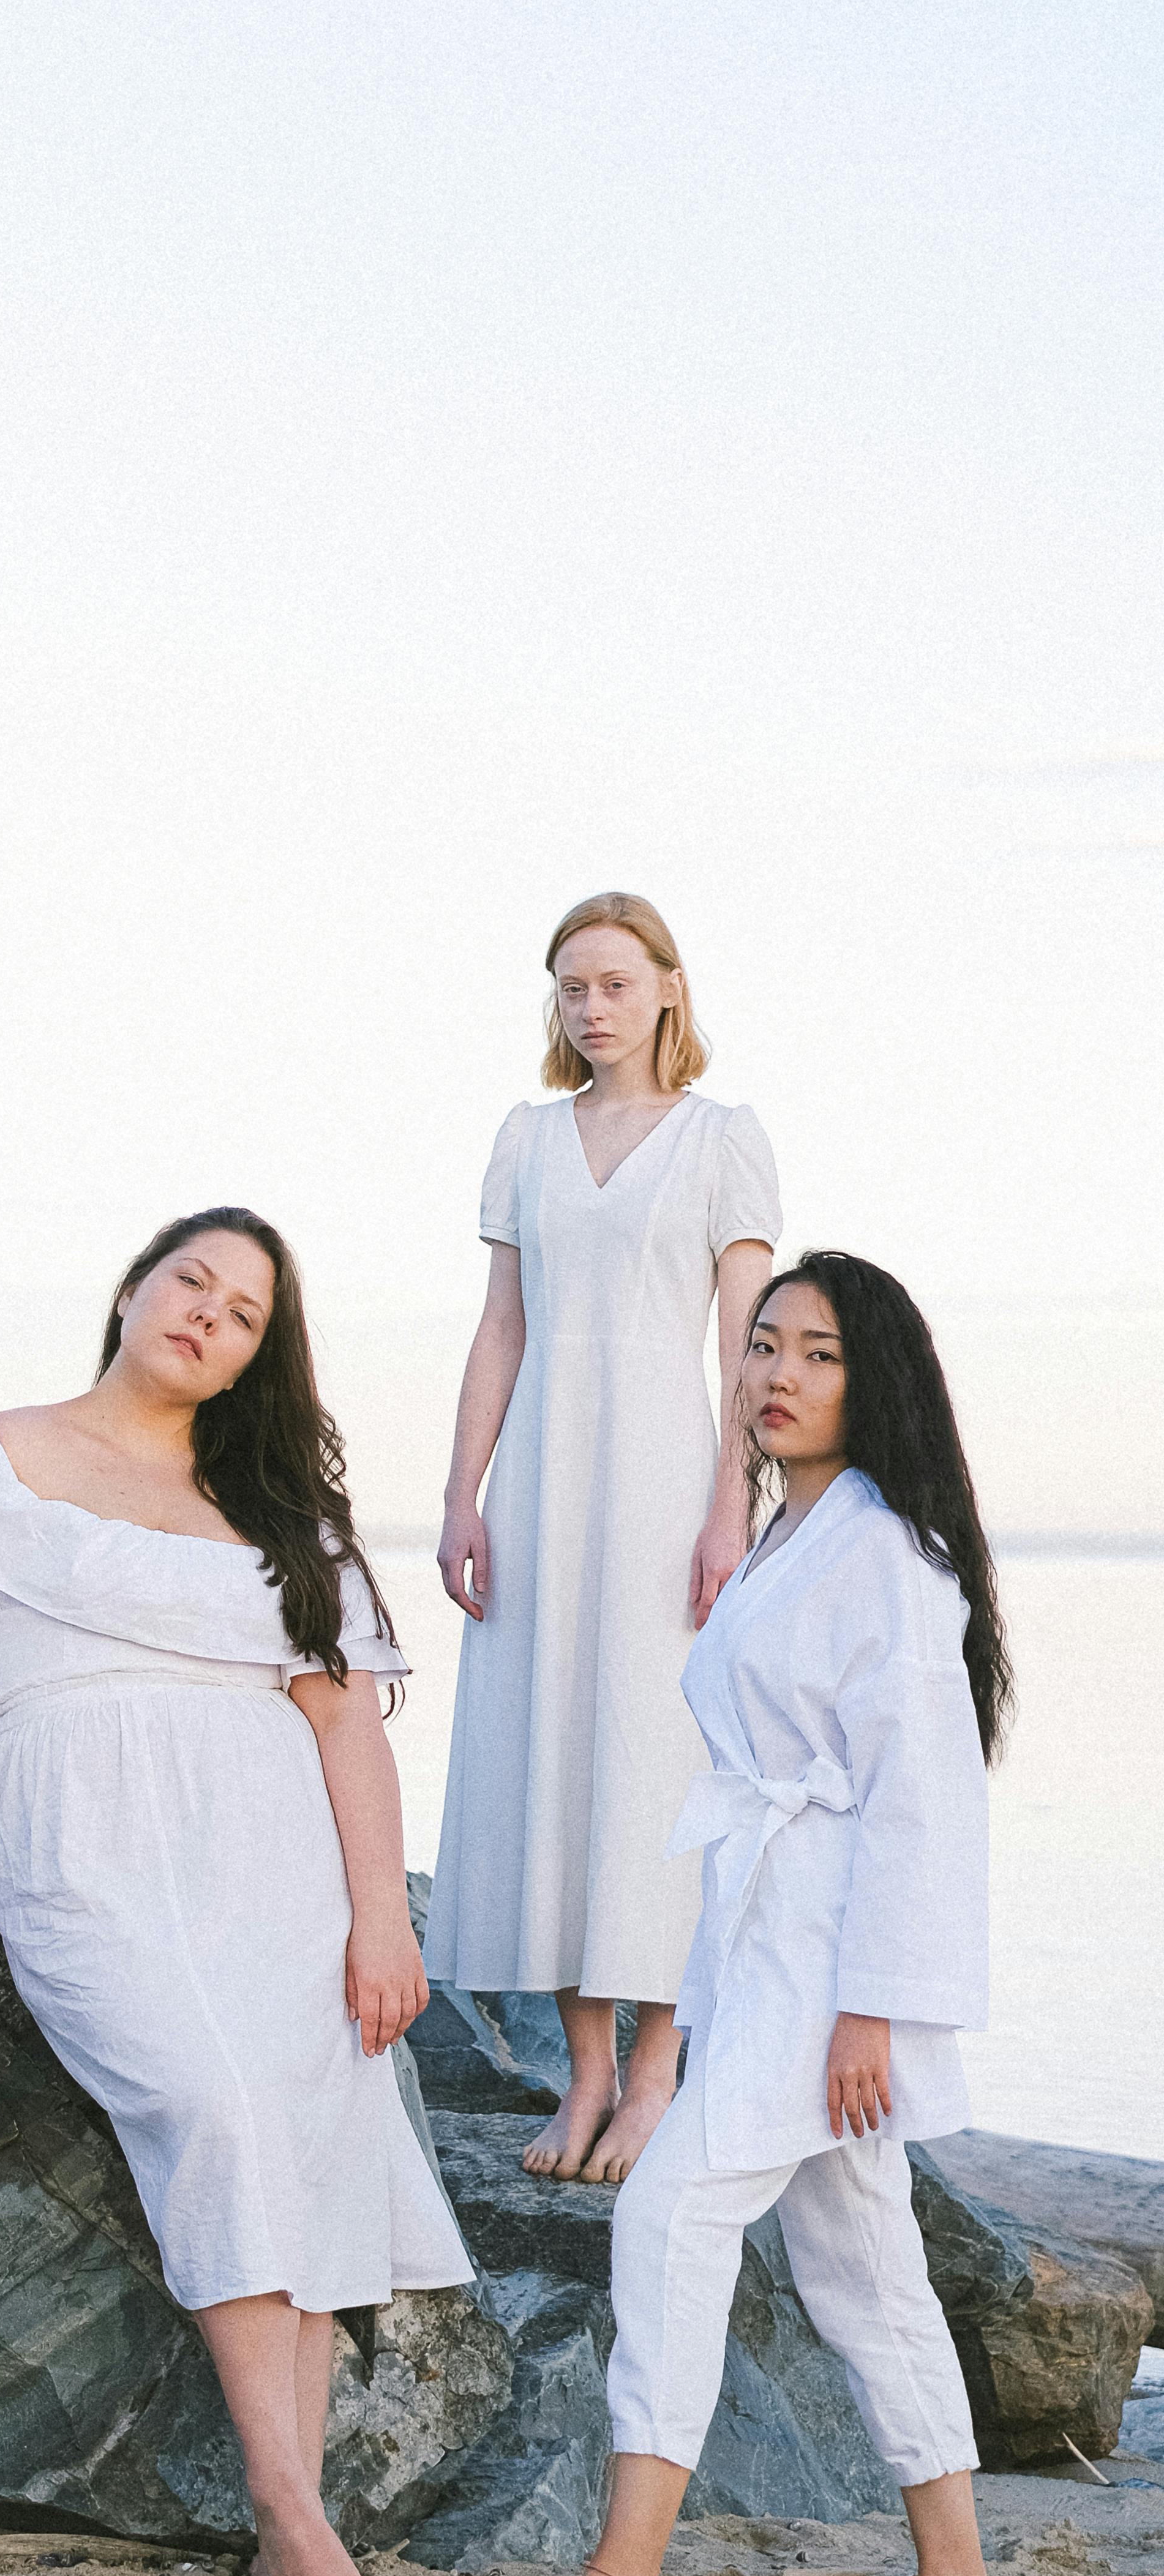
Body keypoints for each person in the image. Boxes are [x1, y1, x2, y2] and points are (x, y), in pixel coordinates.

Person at [0, 1210, 471, 2576]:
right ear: (134, 1287)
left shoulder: (275, 1512)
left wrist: (381, 1920)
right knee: (209, 2103)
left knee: (309, 2131)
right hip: (82, 1830)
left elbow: (348, 1729)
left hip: (277, 1854)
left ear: (259, 1355)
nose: (208, 1313)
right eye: (192, 1279)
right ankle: (287, 2506)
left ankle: (292, 2535)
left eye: (246, 1311)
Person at [474, 1254, 1005, 2576]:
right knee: (863, 2256)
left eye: (816, 1354)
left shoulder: (890, 1556)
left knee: (672, 2211)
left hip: (833, 1955)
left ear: (873, 1378)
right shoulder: (794, 1535)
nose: (773, 1375)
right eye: (762, 1345)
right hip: (773, 1932)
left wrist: (876, 2012)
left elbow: (923, 1798)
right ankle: (953, 2567)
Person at [425, 893, 779, 2185]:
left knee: (655, 1766)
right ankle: (582, 2079)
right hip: (541, 1488)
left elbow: (752, 1341)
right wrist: (465, 1493)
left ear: (669, 990)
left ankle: (655, 2077)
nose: (592, 1007)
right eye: (572, 986)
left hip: (665, 1480)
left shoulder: (722, 1140)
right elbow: (501, 1329)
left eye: (617, 984)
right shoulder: (525, 1139)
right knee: (554, 1767)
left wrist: (733, 1504)